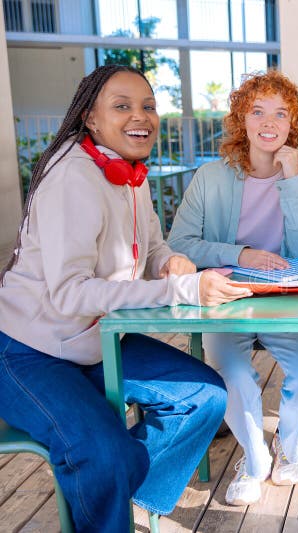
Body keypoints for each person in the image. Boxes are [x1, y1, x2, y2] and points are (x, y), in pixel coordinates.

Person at [0, 65, 250, 531]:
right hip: (29, 352)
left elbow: (154, 247)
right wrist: (183, 288)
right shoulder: (72, 177)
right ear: (91, 120)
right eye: (122, 106)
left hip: (98, 341)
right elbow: (71, 294)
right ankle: (105, 483)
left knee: (204, 396)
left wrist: (168, 262)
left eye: (148, 105)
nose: (141, 116)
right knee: (103, 452)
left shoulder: (130, 174)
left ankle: (117, 494)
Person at [168, 71, 298, 505]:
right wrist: (241, 254)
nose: (268, 121)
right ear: (241, 118)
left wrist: (292, 179)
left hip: (286, 296)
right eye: (257, 110)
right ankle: (254, 458)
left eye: (281, 113)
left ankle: (289, 447)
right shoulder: (210, 176)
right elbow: (180, 243)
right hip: (227, 294)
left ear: (293, 123)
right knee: (233, 372)